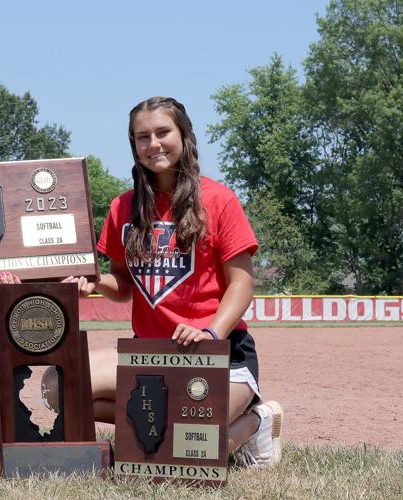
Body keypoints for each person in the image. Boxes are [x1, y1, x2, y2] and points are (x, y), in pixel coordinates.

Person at [61, 96, 283, 469]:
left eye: (163, 132)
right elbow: (124, 285)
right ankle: (160, 427)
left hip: (218, 354)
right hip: (146, 355)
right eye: (142, 137)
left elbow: (242, 285)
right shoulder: (123, 207)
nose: (153, 144)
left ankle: (257, 421)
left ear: (184, 135)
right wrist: (96, 282)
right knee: (60, 387)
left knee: (184, 446)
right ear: (133, 145)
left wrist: (211, 333)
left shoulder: (219, 199)